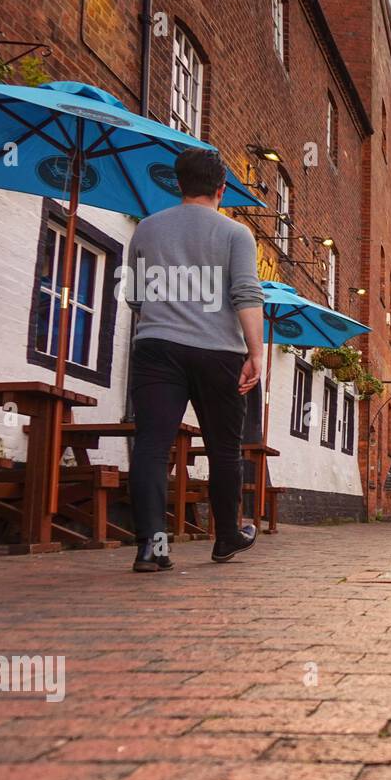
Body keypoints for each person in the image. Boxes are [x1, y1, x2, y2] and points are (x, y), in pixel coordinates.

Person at [125, 147, 264, 571]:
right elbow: (245, 294)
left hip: (156, 348)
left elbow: (134, 296)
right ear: (221, 189)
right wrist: (256, 352)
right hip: (218, 352)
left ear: (178, 185)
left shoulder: (146, 229)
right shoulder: (235, 234)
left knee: (151, 446)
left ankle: (153, 548)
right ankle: (225, 537)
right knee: (223, 449)